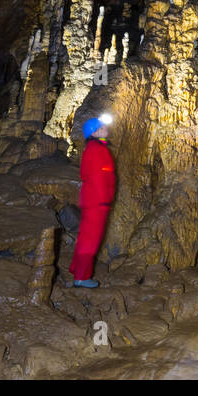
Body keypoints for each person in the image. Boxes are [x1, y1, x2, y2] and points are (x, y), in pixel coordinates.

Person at [70, 114, 116, 288]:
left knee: (87, 237)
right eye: (102, 127)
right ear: (95, 132)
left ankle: (77, 270)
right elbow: (98, 178)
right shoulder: (96, 150)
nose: (106, 129)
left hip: (94, 201)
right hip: (97, 202)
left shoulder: (96, 148)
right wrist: (104, 200)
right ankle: (81, 277)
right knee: (91, 240)